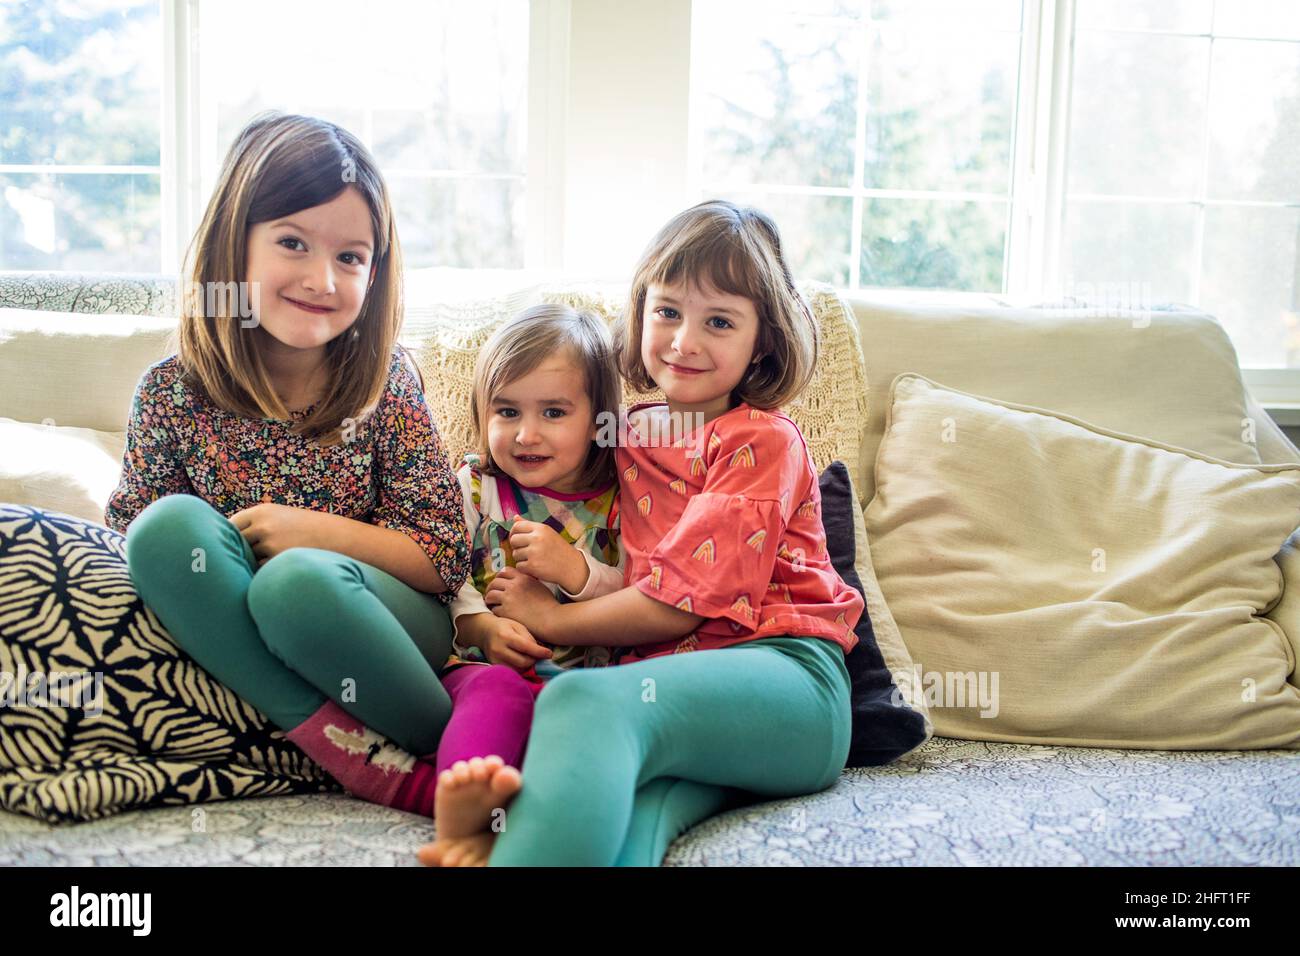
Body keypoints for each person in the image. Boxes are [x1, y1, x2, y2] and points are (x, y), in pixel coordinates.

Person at [420, 199, 863, 866]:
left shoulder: (759, 441)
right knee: (633, 827)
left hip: (787, 682)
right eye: (667, 311)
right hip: (671, 700)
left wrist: (550, 619)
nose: (684, 340)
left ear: (762, 341)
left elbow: (677, 601)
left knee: (582, 703)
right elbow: (546, 471)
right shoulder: (624, 434)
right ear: (640, 312)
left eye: (719, 320)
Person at [108, 111, 470, 818]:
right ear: (232, 246)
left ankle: (427, 739)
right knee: (163, 531)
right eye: (293, 243)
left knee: (295, 586)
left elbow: (444, 555)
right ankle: (341, 746)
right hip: (243, 626)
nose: (321, 278)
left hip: (377, 622)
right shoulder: (170, 392)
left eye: (351, 257)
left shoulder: (386, 383)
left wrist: (313, 533)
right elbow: (132, 554)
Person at [424, 304, 624, 863]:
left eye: (554, 412)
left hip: (584, 686)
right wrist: (480, 624)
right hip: (481, 673)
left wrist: (577, 572)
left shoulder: (622, 502)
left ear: (599, 419)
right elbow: (441, 568)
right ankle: (461, 816)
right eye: (507, 411)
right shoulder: (476, 487)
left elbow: (647, 591)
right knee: (496, 697)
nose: (526, 434)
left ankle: (541, 824)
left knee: (592, 726)